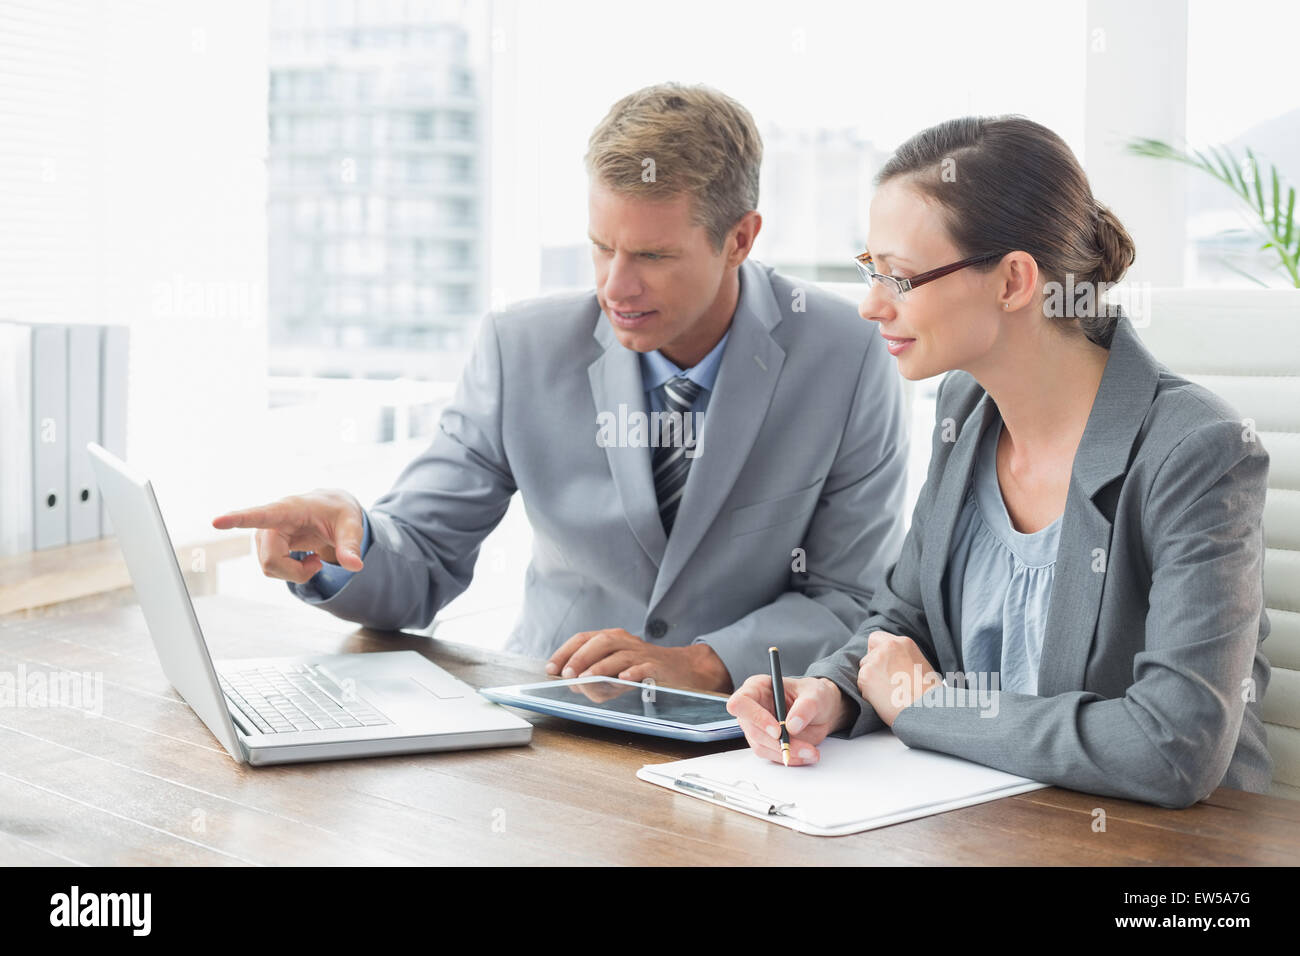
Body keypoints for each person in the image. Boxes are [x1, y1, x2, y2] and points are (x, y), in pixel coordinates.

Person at [212, 83, 909, 693]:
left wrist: (701, 662)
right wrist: (344, 544)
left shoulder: (847, 356)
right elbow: (421, 557)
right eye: (602, 246)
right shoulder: (521, 349)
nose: (616, 285)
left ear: (741, 239)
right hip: (550, 716)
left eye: (653, 256)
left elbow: (849, 597)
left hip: (746, 737)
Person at [727, 115, 1272, 808]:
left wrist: (928, 709)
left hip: (1158, 854)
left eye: (898, 276)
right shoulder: (966, 410)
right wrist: (830, 693)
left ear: (1013, 280)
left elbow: (1172, 747)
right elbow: (904, 622)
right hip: (985, 822)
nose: (870, 304)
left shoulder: (1197, 452)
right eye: (871, 270)